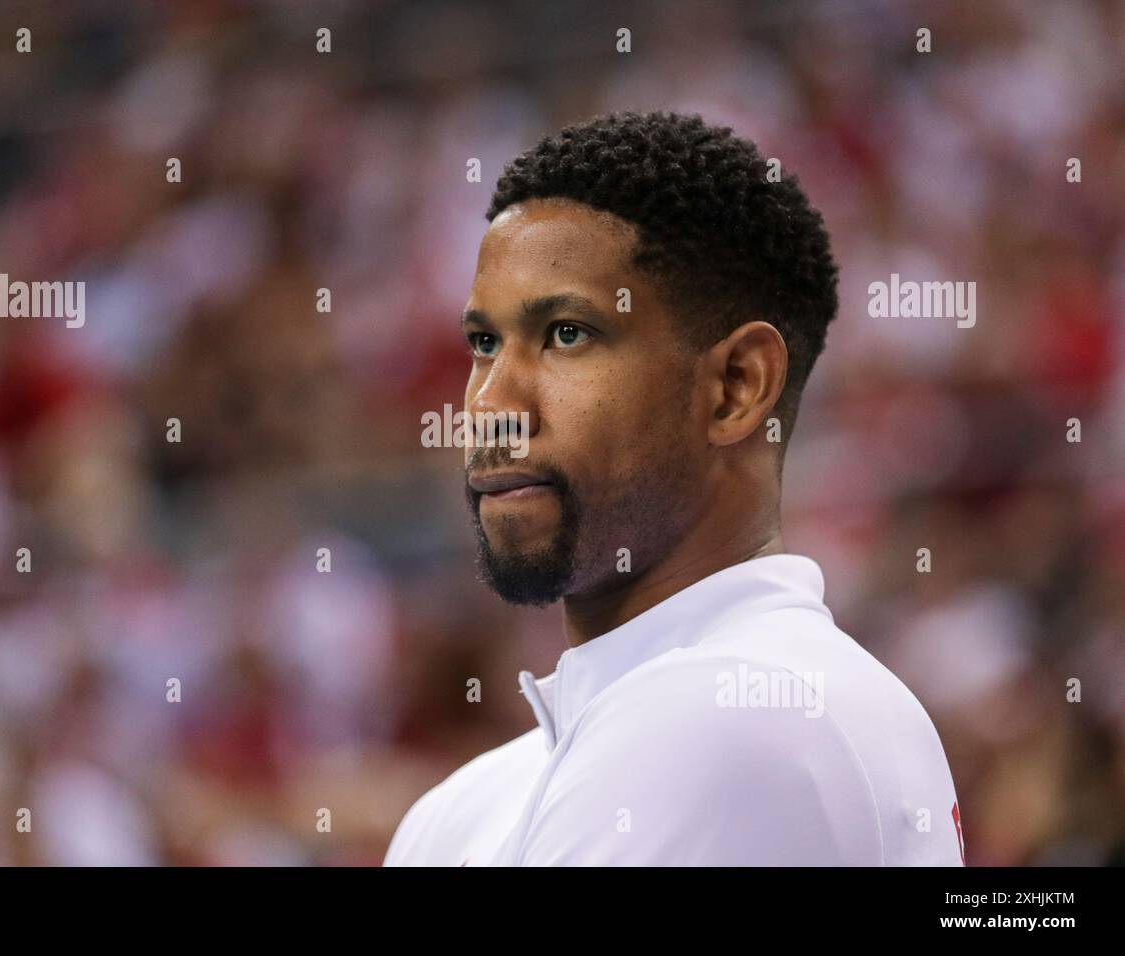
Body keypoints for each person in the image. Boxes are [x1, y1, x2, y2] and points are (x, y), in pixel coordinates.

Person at [384, 111, 963, 866]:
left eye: (566, 333)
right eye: (484, 343)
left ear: (734, 387)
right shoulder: (460, 809)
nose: (489, 408)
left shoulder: (741, 711)